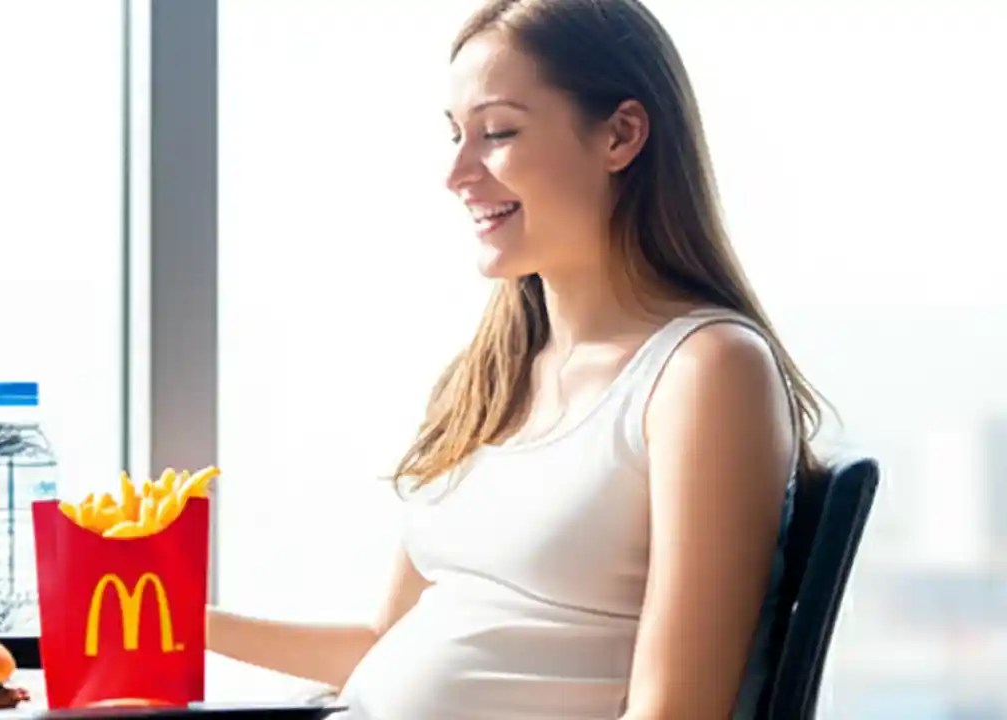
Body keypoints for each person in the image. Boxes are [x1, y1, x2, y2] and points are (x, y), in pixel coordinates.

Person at [207, 0, 828, 717]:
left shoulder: (704, 373)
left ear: (621, 135)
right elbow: (385, 645)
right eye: (455, 135)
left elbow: (674, 711)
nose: (456, 173)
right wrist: (177, 622)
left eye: (497, 133)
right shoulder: (493, 378)